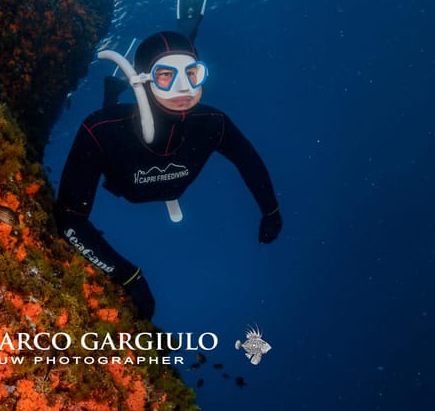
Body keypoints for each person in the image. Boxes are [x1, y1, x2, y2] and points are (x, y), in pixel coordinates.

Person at [55, 31, 283, 319]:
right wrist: (130, 277)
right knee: (113, 116)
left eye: (192, 73)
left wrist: (271, 210)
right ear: (142, 80)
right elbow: (69, 221)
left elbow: (248, 161)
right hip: (124, 186)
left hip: (173, 190)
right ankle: (113, 90)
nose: (183, 88)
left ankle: (137, 80)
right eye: (165, 75)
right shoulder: (100, 129)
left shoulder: (213, 124)